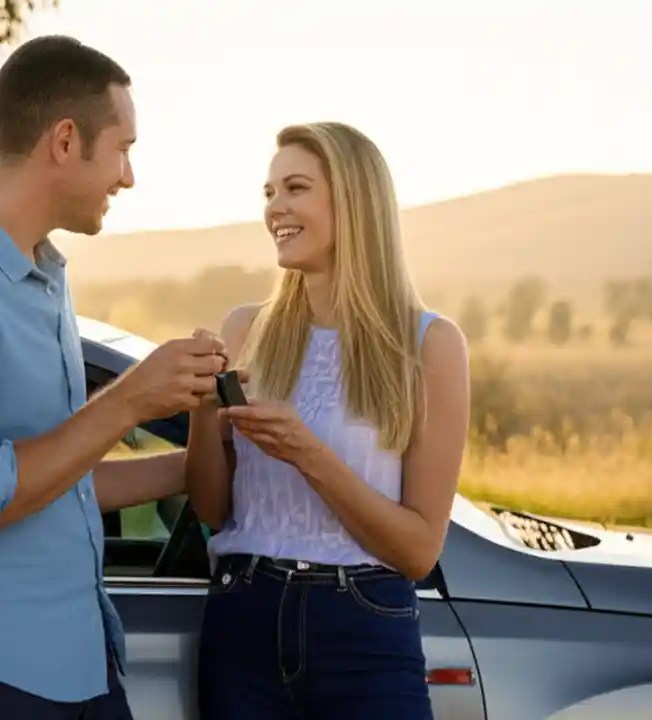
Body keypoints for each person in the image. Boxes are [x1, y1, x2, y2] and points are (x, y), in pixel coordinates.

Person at [0, 35, 226, 719]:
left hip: (80, 669)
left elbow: (55, 478)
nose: (128, 176)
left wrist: (203, 460)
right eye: (123, 149)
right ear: (63, 141)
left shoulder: (41, 276)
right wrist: (132, 400)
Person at [185, 121, 471, 719]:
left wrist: (308, 453)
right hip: (244, 619)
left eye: (294, 189)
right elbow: (213, 510)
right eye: (268, 193)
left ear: (353, 202)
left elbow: (418, 552)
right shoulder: (246, 330)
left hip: (364, 628)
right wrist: (202, 410)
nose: (275, 209)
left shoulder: (428, 345)